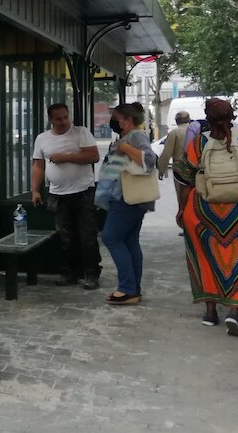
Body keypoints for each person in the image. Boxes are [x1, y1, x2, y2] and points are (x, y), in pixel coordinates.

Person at [173, 98, 238, 337]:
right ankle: (235, 311)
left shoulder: (199, 143)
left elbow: (184, 179)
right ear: (232, 116)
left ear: (207, 118)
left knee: (205, 258)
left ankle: (210, 313)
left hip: (203, 212)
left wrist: (182, 210)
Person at [31, 103, 102, 289]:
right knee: (65, 237)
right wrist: (35, 190)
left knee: (87, 236)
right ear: (50, 120)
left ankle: (91, 273)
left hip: (84, 192)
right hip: (57, 194)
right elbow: (38, 165)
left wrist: (66, 157)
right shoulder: (42, 139)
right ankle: (69, 273)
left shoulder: (81, 132)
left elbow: (94, 156)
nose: (63, 122)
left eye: (65, 117)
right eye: (58, 119)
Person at [94, 102, 156, 305]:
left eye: (117, 118)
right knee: (129, 241)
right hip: (125, 197)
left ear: (127, 120)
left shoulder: (136, 136)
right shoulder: (128, 137)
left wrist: (125, 148)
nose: (114, 121)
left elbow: (149, 161)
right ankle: (133, 289)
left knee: (111, 238)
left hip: (127, 199)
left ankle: (127, 288)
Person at [158, 111, 193, 234]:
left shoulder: (174, 133)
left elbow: (167, 153)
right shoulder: (196, 131)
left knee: (182, 198)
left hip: (180, 169)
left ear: (177, 121)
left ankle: (185, 225)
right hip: (196, 168)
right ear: (189, 119)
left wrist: (161, 170)